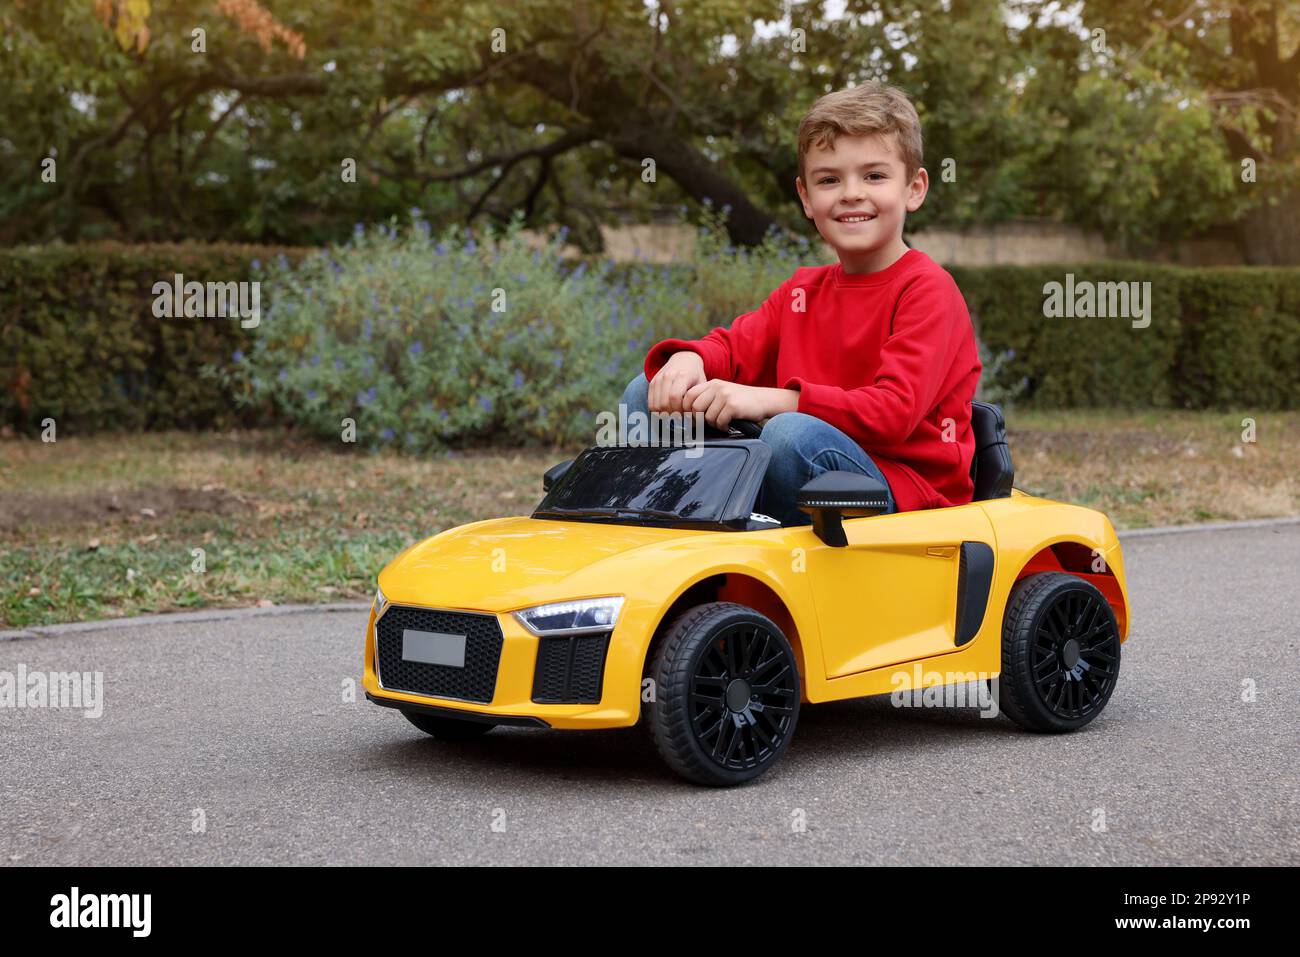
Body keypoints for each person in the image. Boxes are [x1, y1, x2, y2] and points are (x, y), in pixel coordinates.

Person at [619, 80, 982, 526]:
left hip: (901, 492)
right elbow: (735, 348)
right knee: (647, 391)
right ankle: (672, 526)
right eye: (829, 179)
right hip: (804, 467)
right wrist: (691, 359)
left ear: (914, 188)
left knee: (790, 433)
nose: (851, 193)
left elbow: (892, 414)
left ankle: (753, 538)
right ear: (807, 198)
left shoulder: (928, 290)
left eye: (874, 175)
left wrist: (769, 401)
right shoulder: (802, 292)